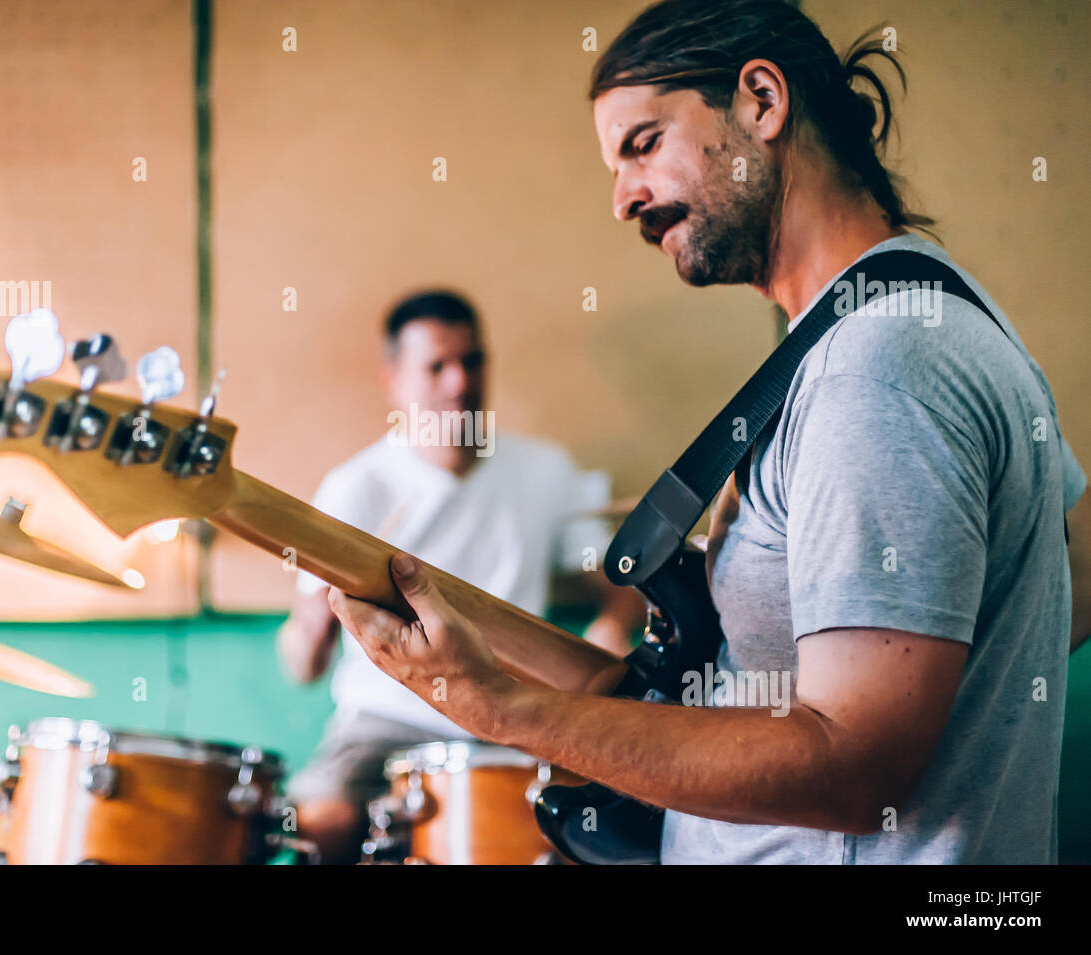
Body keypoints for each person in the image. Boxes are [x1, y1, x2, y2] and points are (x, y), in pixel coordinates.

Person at [327, 0, 1090, 864]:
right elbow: (1067, 574)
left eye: (643, 144)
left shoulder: (872, 370)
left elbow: (856, 769)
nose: (621, 200)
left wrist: (499, 709)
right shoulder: (930, 306)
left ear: (761, 102)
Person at [278, 289, 644, 864]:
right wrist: (306, 640)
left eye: (472, 362)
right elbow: (303, 656)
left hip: (512, 715)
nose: (459, 382)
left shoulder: (543, 471)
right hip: (385, 719)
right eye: (437, 367)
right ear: (393, 380)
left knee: (605, 820)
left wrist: (612, 624)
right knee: (321, 819)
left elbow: (614, 583)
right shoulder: (356, 487)